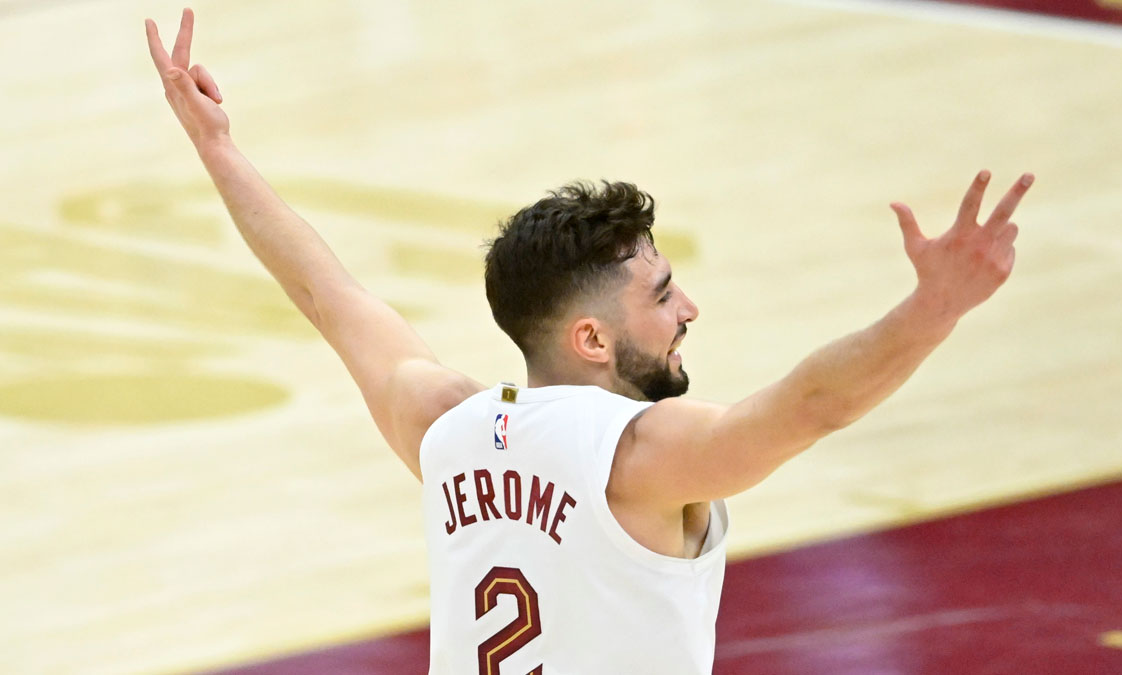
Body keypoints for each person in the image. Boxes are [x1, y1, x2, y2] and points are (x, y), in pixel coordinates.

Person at [146, 9, 1033, 674]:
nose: (689, 306)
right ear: (590, 338)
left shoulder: (446, 428)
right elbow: (815, 404)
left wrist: (220, 150)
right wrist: (935, 308)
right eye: (660, 293)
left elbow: (327, 293)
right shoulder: (640, 458)